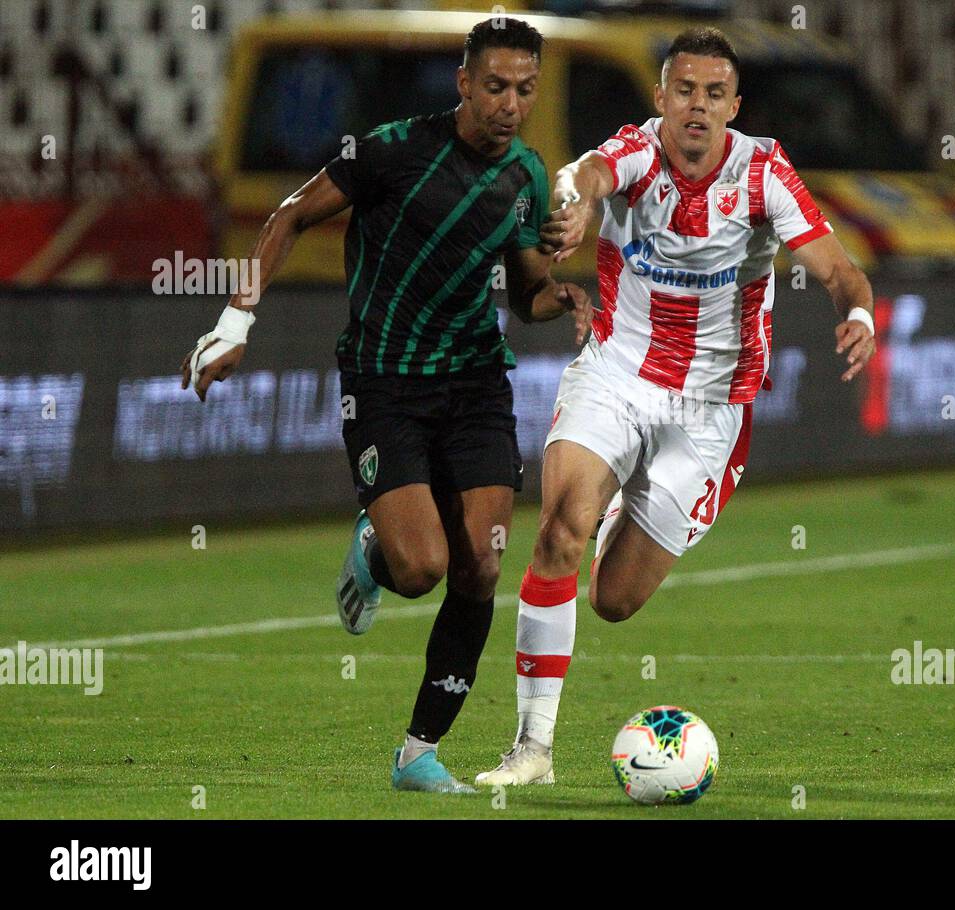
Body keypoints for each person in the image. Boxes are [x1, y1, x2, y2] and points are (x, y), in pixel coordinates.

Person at [179, 18, 591, 794]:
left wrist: (557, 297)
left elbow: (529, 286)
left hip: (475, 385)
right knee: (420, 569)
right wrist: (234, 323)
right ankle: (375, 551)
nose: (510, 103)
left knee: (481, 565)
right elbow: (289, 214)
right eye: (496, 86)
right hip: (386, 383)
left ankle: (417, 753)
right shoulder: (393, 149)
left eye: (526, 89)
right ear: (465, 83)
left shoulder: (529, 177)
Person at [476, 27, 877, 786]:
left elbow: (838, 270)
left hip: (711, 407)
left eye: (713, 94)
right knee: (560, 528)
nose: (697, 107)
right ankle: (532, 749)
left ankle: (626, 505)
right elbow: (585, 176)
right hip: (617, 375)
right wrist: (570, 206)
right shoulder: (634, 153)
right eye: (684, 91)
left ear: (734, 105)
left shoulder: (763, 173)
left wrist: (857, 314)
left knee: (614, 600)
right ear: (660, 97)